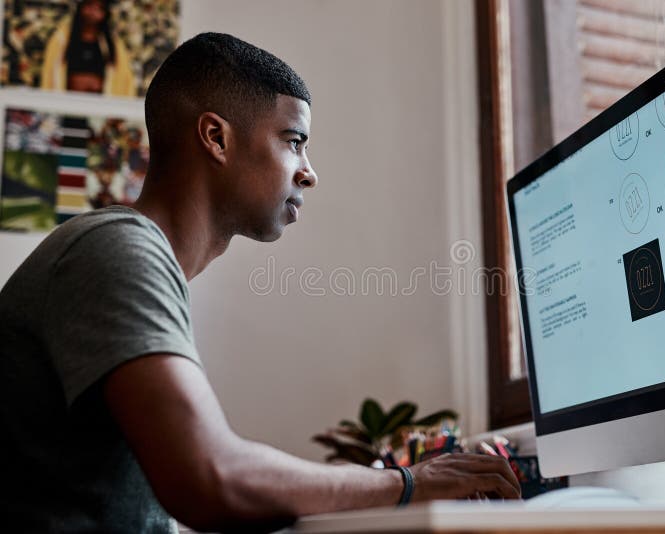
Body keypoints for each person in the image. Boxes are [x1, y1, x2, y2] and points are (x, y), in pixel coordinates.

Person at [0, 33, 520, 533]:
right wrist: (407, 484)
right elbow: (212, 478)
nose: (309, 173)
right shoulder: (116, 250)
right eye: (294, 141)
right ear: (216, 138)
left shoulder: (125, 254)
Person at [40, 0, 135, 95]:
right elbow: (48, 73)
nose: (93, 12)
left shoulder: (113, 44)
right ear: (81, 7)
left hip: (99, 105)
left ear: (105, 13)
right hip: (67, 102)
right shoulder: (61, 39)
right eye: (89, 6)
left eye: (99, 8)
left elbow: (125, 78)